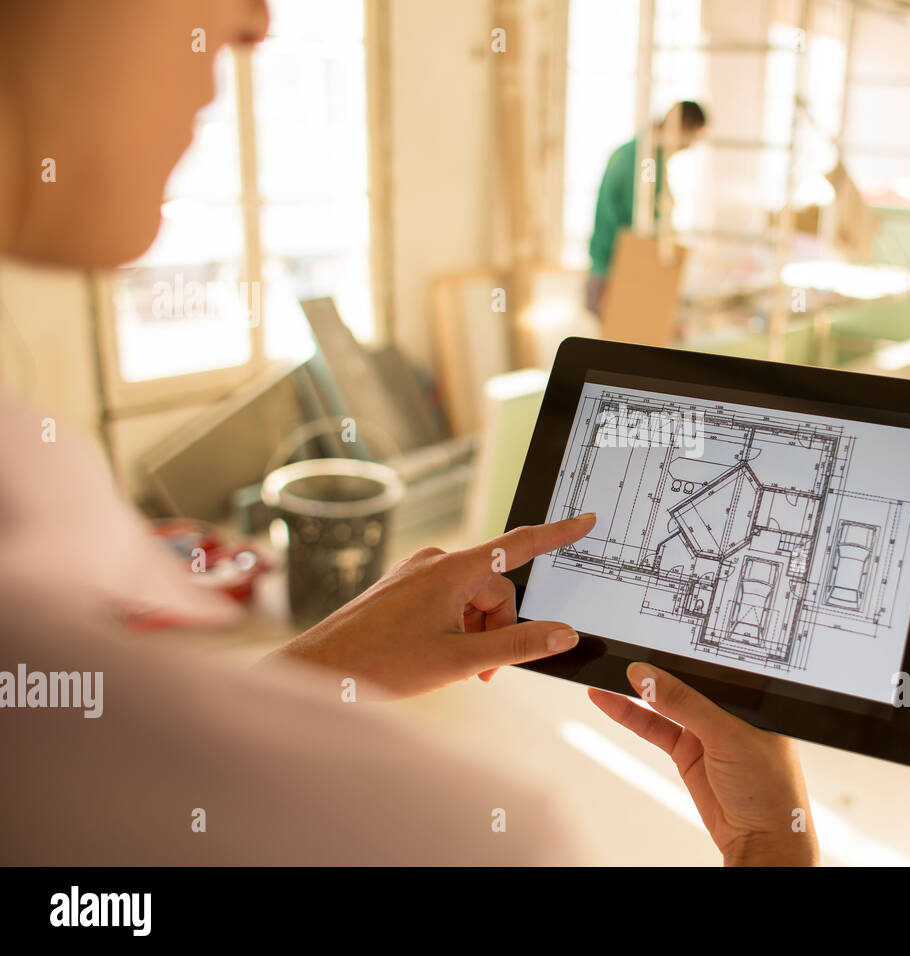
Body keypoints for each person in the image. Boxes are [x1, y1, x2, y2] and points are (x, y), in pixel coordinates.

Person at [0, 1, 816, 866]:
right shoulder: (452, 832)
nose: (254, 21)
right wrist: (772, 845)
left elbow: (122, 787)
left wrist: (316, 671)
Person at [585, 100, 707, 320]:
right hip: (615, 272)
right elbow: (642, 224)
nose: (689, 147)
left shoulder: (635, 151)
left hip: (609, 269)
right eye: (692, 138)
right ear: (682, 128)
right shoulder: (644, 161)